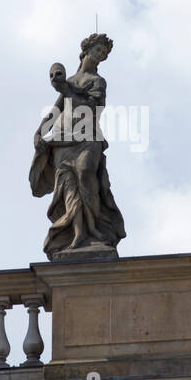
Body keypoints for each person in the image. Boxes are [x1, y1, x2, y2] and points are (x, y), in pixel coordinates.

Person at [29, 33, 125, 258]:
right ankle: (79, 235)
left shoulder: (97, 82)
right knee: (69, 188)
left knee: (85, 174)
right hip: (63, 141)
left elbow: (92, 108)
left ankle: (95, 230)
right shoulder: (69, 80)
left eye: (104, 53)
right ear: (86, 50)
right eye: (98, 50)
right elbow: (56, 110)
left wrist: (67, 89)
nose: (100, 55)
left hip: (87, 138)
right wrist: (40, 131)